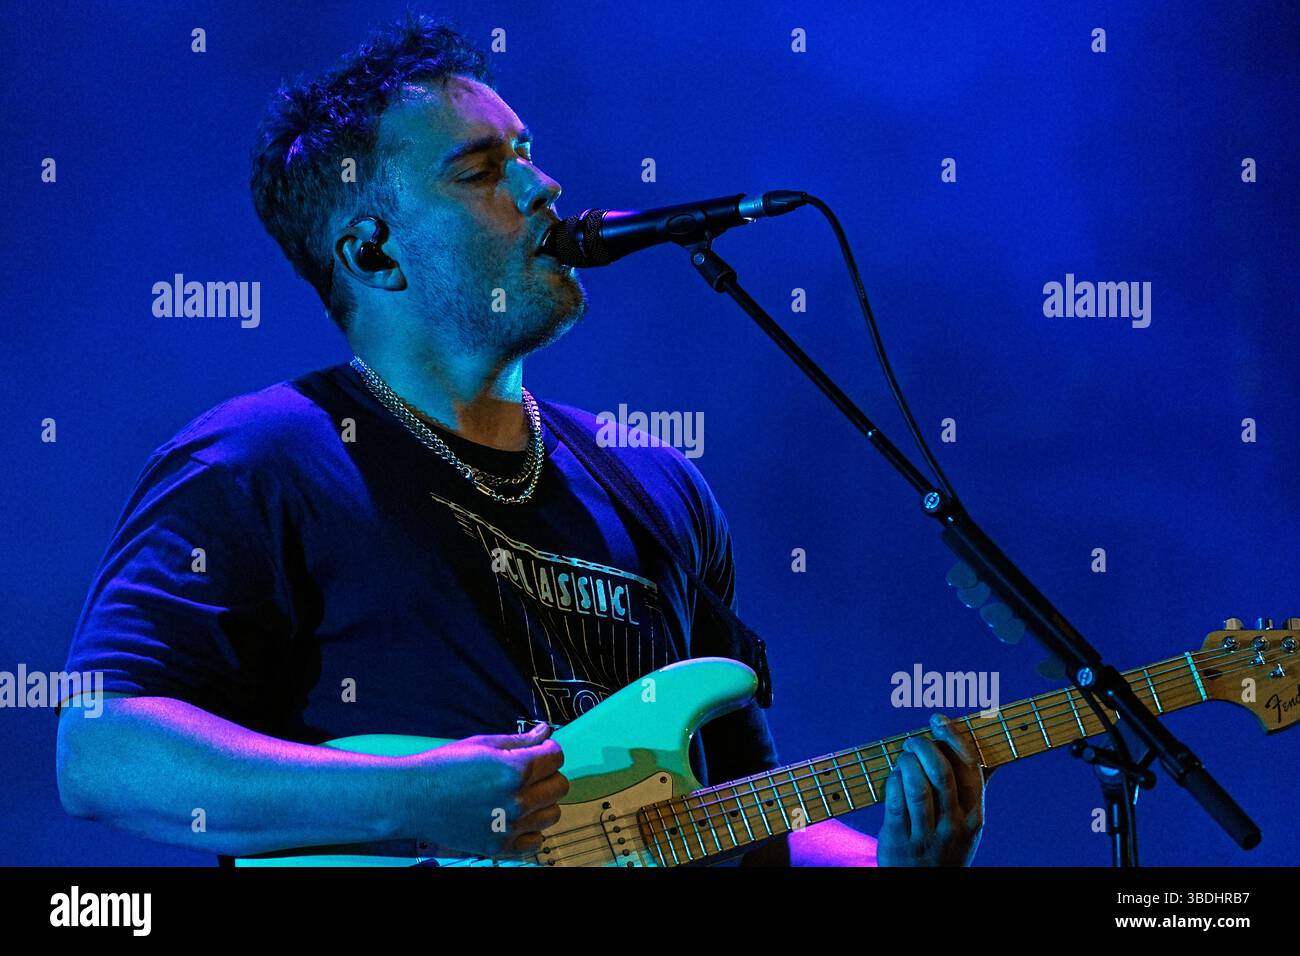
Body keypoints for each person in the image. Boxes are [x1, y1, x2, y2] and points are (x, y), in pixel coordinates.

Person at [56, 13, 985, 867]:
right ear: (373, 252)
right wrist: (413, 800)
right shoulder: (261, 460)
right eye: (483, 170)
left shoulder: (659, 485)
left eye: (530, 155)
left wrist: (889, 865)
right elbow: (101, 751)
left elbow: (730, 814)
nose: (546, 188)